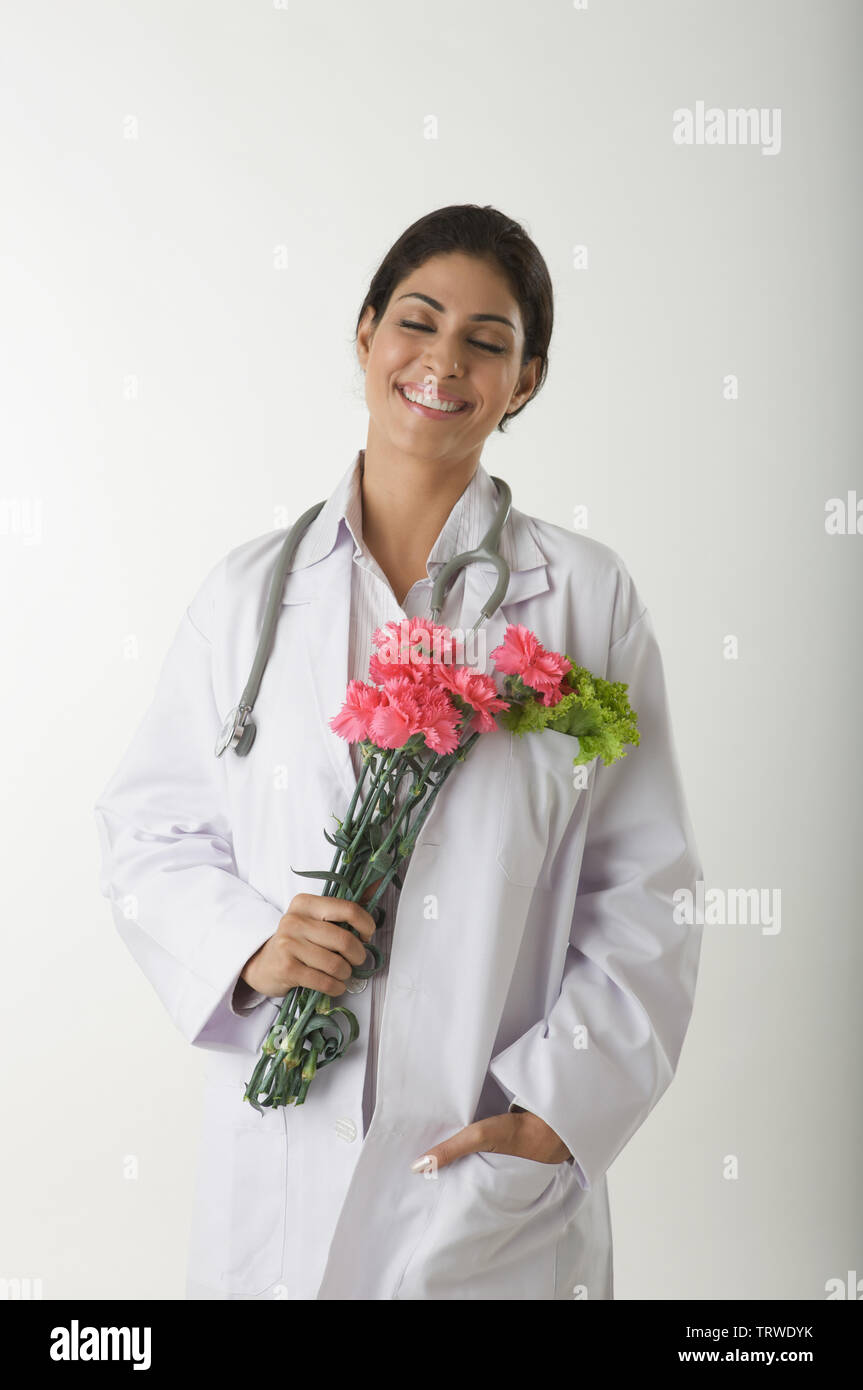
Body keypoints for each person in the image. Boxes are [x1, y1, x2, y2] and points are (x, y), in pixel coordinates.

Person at [94, 203, 703, 1300]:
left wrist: (555, 1111)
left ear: (523, 382)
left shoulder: (583, 596)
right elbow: (148, 835)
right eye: (417, 322)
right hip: (282, 1164)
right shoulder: (247, 596)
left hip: (480, 1176)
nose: (443, 360)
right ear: (367, 332)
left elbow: (644, 891)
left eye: (486, 340)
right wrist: (251, 947)